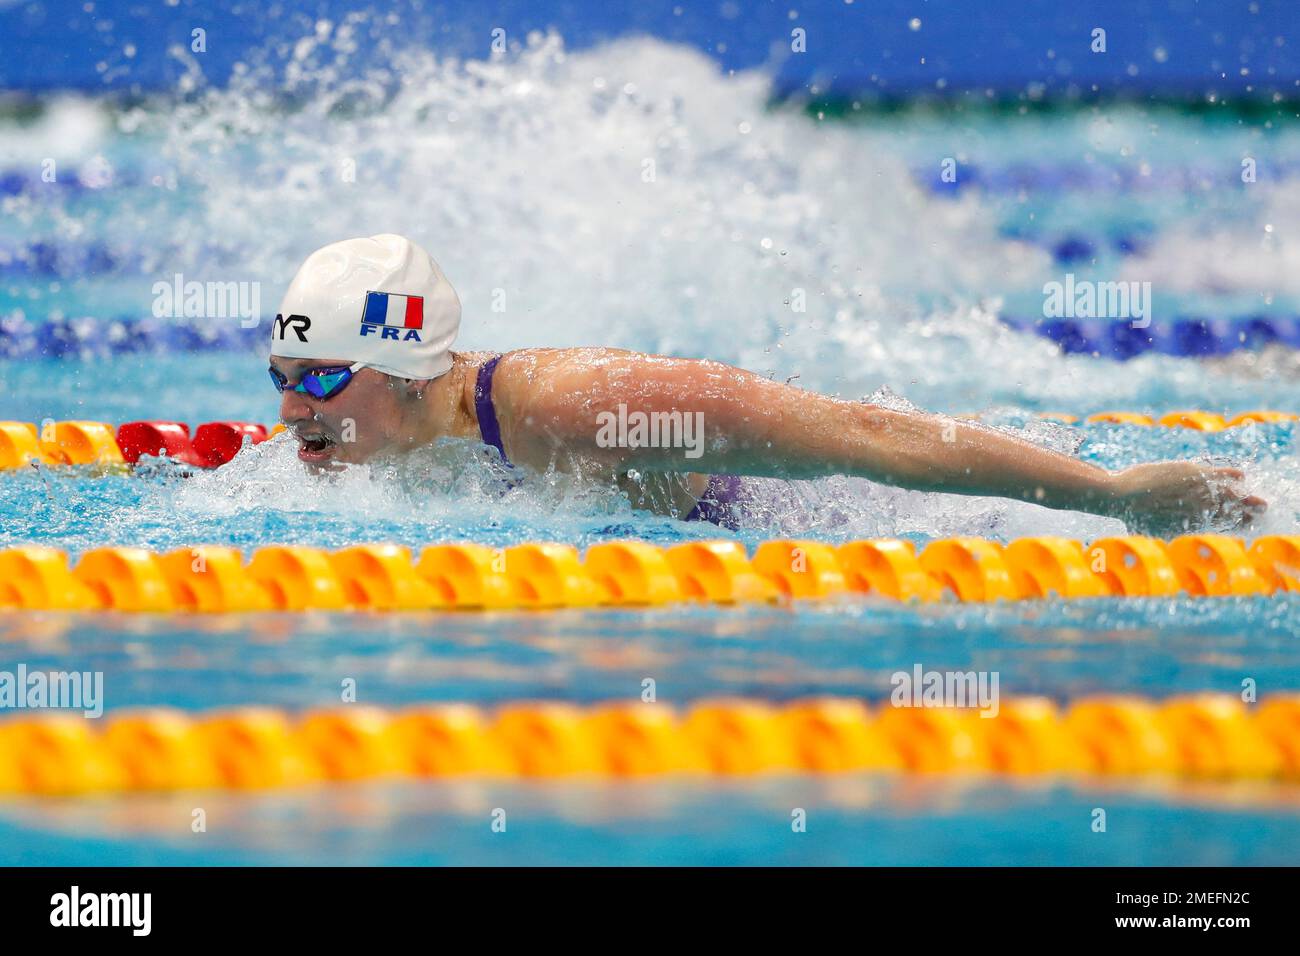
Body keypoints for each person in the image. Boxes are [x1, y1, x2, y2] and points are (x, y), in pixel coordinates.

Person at [267, 234, 1265, 533]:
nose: (290, 413)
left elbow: (869, 433)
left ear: (405, 371)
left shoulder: (582, 406)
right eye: (281, 378)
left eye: (316, 380)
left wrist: (1113, 496)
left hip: (895, 528)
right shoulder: (390, 437)